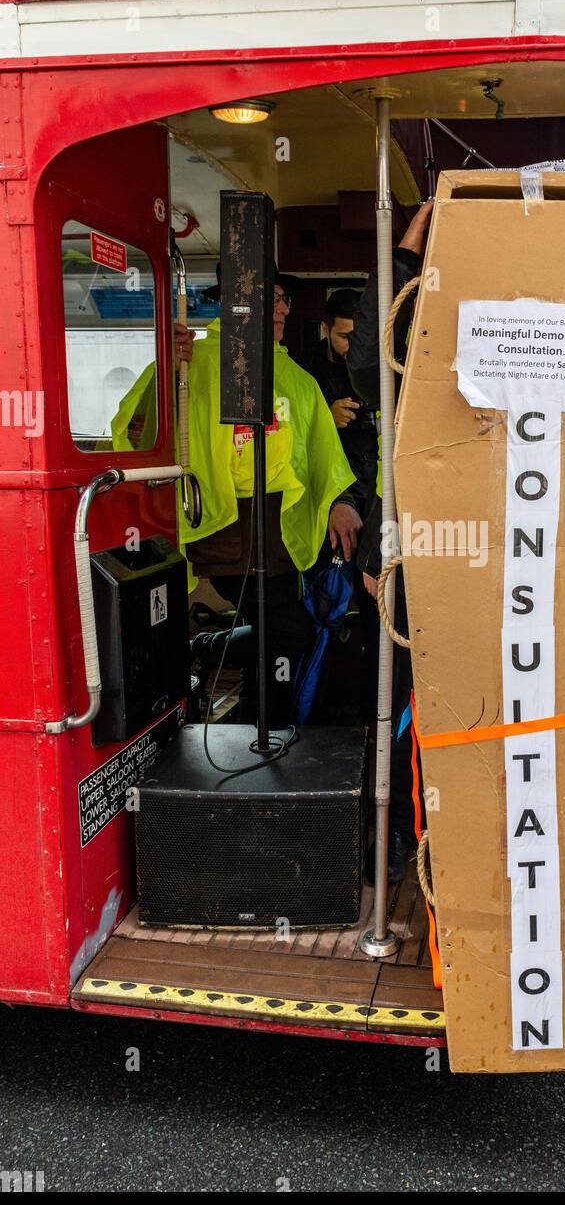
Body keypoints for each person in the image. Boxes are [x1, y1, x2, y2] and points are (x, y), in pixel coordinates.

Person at [113, 275, 362, 726]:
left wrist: (342, 500)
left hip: (281, 532)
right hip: (221, 527)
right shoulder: (194, 362)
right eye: (273, 300)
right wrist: (167, 370)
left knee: (282, 632)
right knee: (287, 630)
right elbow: (137, 434)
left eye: (285, 300)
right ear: (235, 306)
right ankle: (258, 723)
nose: (284, 309)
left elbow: (324, 452)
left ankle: (252, 713)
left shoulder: (296, 378)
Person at [346, 200, 434, 882]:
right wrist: (405, 255)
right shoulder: (398, 380)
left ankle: (413, 836)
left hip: (447, 557)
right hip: (412, 557)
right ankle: (398, 838)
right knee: (401, 707)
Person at [309, 288, 378, 502]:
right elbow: (290, 435)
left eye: (358, 337)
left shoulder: (379, 367)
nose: (354, 345)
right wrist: (327, 418)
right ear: (324, 329)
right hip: (328, 489)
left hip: (374, 483)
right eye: (344, 337)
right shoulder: (305, 371)